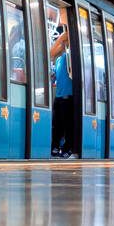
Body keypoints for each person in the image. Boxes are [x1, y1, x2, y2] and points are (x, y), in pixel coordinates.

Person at [50, 24, 75, 157]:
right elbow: (55, 76)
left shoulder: (70, 57)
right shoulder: (60, 59)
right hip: (59, 96)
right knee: (56, 124)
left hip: (68, 96)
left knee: (67, 125)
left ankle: (67, 148)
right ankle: (55, 147)